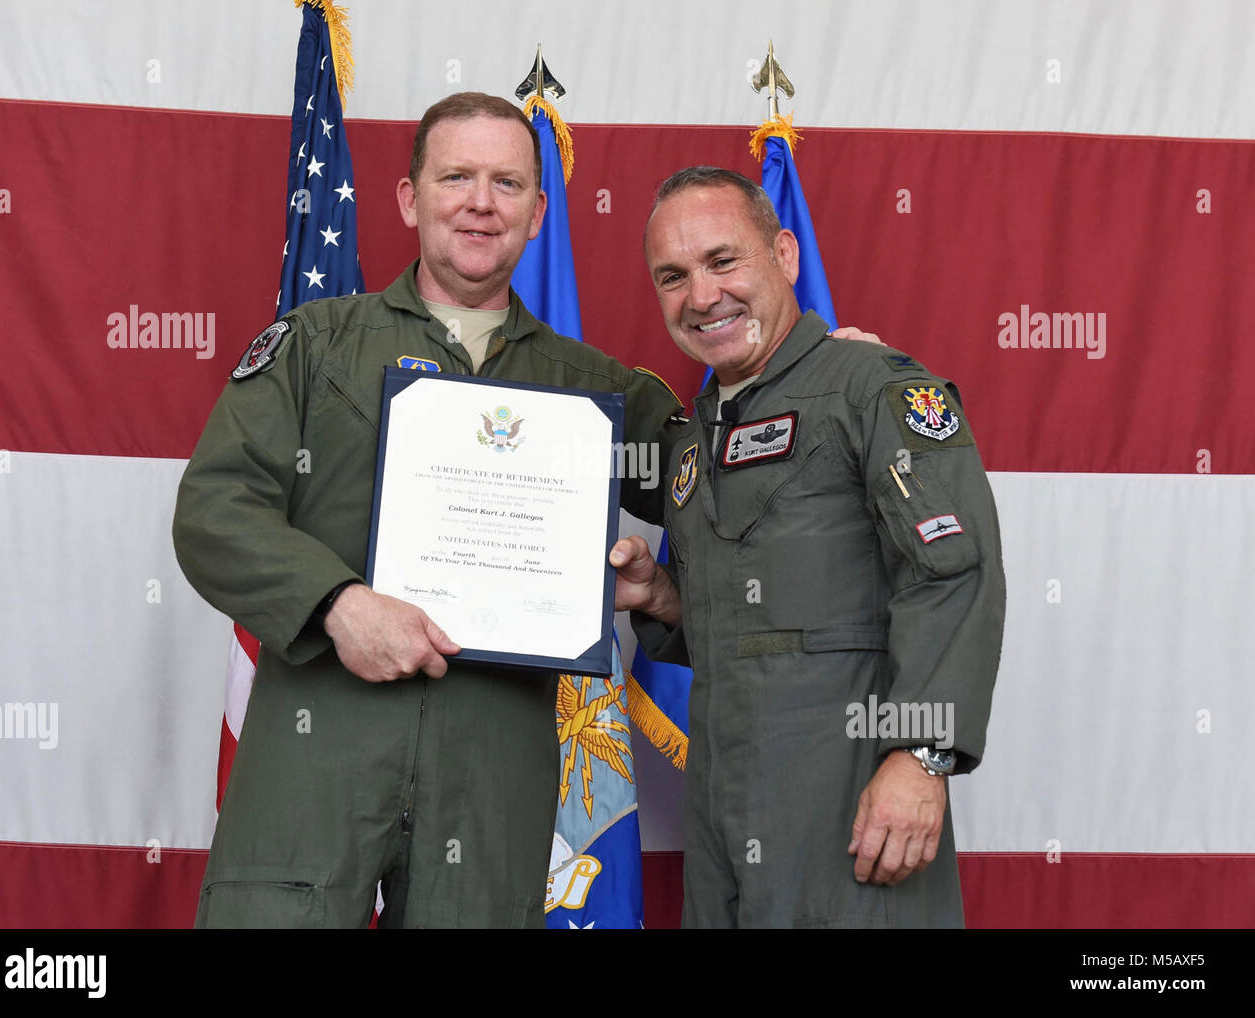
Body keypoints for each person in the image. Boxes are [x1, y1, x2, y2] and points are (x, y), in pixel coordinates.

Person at [171, 93, 691, 928]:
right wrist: (336, 605)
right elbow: (213, 511)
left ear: (537, 212)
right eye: (457, 177)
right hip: (319, 741)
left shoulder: (595, 389)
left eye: (507, 183)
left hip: (494, 767)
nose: (481, 202)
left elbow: (725, 483)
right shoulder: (313, 346)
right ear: (411, 198)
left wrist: (799, 377)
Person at [612, 166, 1006, 928]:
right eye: (673, 275)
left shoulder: (874, 390)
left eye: (723, 260)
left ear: (784, 255)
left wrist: (923, 756)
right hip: (723, 817)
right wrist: (666, 599)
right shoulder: (697, 443)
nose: (701, 296)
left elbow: (952, 572)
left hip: (850, 807)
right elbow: (766, 624)